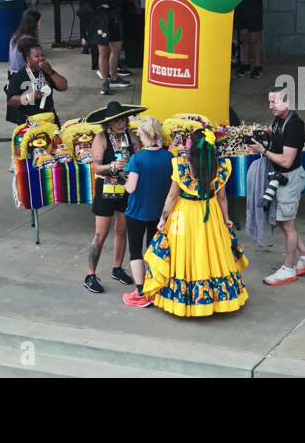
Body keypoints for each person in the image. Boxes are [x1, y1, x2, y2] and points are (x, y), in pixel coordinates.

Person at [142, 127, 249, 317]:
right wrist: (226, 219)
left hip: (184, 215)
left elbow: (172, 196)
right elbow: (222, 198)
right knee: (211, 253)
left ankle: (186, 301)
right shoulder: (220, 166)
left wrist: (163, 218)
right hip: (211, 213)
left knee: (185, 254)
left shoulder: (182, 165)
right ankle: (217, 300)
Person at [247, 85, 305, 287]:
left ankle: (288, 269)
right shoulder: (280, 119)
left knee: (286, 224)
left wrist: (263, 150)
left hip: (289, 179)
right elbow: (276, 133)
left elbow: (287, 161)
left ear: (288, 102)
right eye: (269, 101)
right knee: (283, 221)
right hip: (280, 178)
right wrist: (266, 134)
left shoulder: (294, 125)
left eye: (274, 101)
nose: (270, 106)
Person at [83, 101, 144, 293]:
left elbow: (139, 156)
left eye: (124, 119)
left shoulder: (131, 136)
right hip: (106, 188)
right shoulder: (101, 139)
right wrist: (111, 167)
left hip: (125, 187)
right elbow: (96, 166)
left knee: (122, 229)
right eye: (118, 121)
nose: (122, 123)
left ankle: (117, 268)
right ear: (109, 123)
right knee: (100, 234)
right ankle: (90, 274)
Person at [121, 117, 174, 308]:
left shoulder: (138, 159)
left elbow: (131, 188)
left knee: (136, 251)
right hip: (159, 213)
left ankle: (141, 291)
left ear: (143, 136)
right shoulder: (169, 157)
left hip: (136, 212)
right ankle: (156, 287)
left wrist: (124, 182)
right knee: (154, 251)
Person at [87, 0, 132, 96]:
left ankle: (114, 77)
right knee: (103, 51)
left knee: (117, 48)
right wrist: (104, 1)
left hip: (115, 18)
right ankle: (105, 82)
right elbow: (92, 2)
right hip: (101, 19)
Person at [6, 38, 68, 125]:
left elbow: (64, 86)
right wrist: (28, 97)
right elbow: (11, 101)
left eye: (42, 55)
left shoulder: (47, 72)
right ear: (28, 59)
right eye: (37, 56)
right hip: (28, 122)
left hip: (49, 119)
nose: (41, 58)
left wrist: (51, 72)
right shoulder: (18, 77)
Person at [234, 0, 265, 79]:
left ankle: (258, 66)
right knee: (243, 35)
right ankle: (246, 64)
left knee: (255, 36)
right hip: (241, 4)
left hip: (254, 4)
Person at [8, 9, 42, 76]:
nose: (40, 24)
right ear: (34, 23)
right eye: (39, 22)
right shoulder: (30, 41)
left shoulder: (15, 37)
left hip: (12, 74)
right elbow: (36, 63)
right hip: (24, 76)